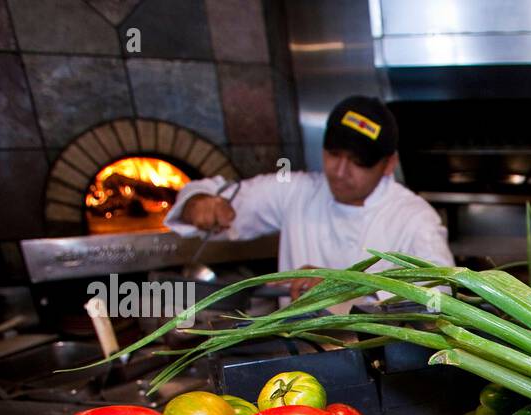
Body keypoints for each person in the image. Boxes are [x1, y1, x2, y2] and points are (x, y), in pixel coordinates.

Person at [165, 96, 453, 302]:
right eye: (333, 155)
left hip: (378, 364)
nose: (339, 172)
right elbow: (220, 198)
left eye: (357, 162)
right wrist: (199, 203)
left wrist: (348, 285)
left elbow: (441, 292)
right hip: (297, 356)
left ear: (389, 164)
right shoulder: (297, 190)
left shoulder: (414, 216)